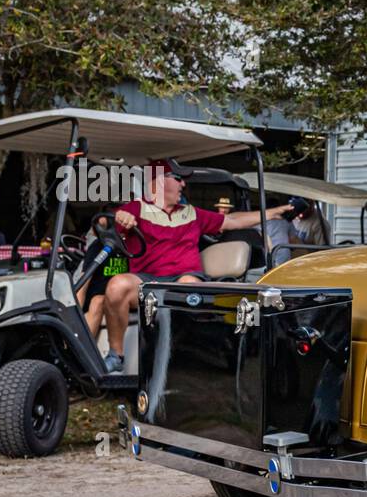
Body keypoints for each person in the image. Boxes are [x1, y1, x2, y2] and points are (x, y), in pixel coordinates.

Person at [100, 159, 293, 373]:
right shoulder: (136, 208)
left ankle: (173, 363)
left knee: (186, 286)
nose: (183, 185)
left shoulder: (191, 213)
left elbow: (233, 221)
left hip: (184, 276)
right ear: (157, 183)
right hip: (147, 279)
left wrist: (271, 213)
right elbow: (108, 223)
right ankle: (116, 355)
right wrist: (120, 216)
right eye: (178, 179)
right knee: (117, 285)